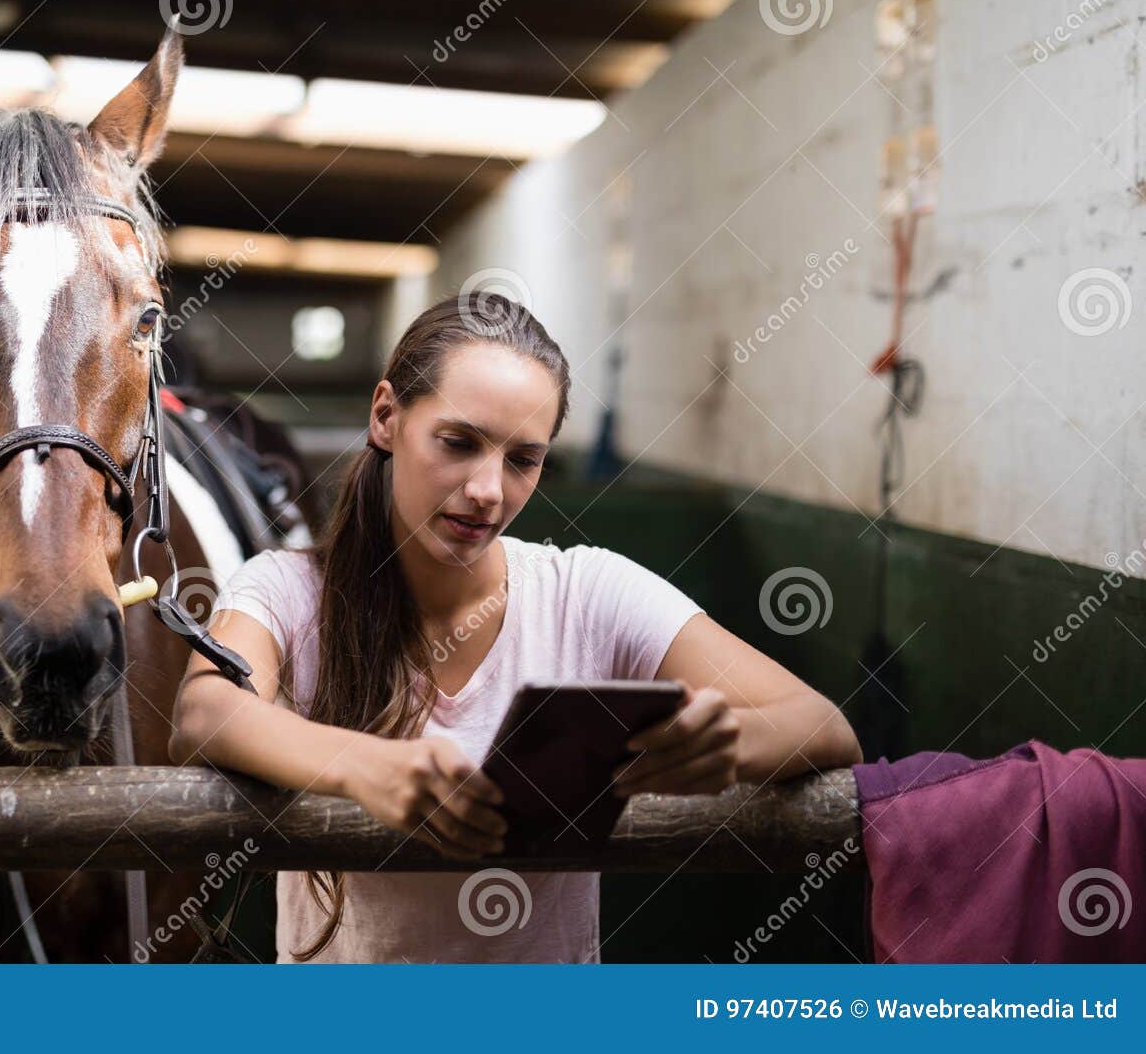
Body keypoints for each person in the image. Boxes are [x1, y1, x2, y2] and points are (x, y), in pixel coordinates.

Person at [167, 293, 862, 962]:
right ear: (386, 416)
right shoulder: (286, 587)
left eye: (522, 459)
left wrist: (725, 744)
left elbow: (824, 723)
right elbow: (205, 708)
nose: (488, 490)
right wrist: (365, 766)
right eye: (459, 442)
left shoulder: (588, 592)